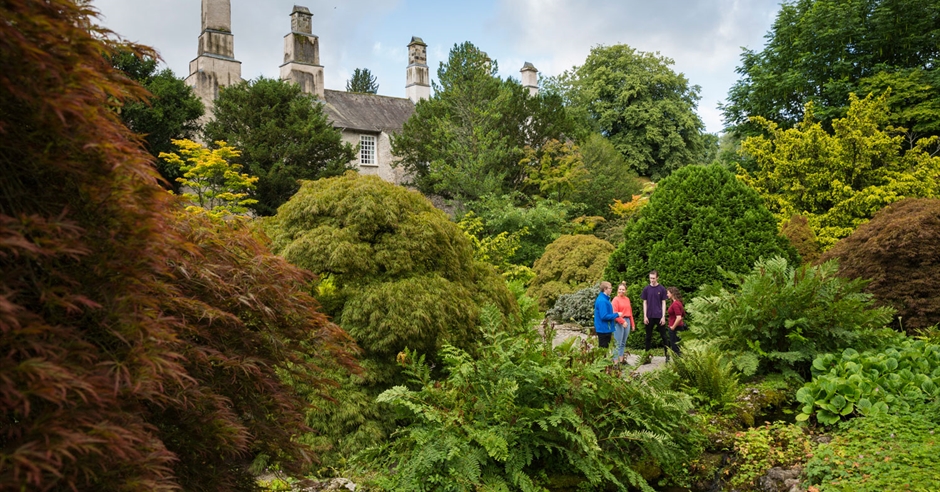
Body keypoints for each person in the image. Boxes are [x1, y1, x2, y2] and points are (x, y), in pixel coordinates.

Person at [641, 270, 670, 360]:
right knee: (648, 337)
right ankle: (646, 357)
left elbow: (664, 302)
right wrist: (645, 316)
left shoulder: (662, 289)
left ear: (657, 278)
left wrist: (663, 316)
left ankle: (667, 356)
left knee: (664, 336)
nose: (652, 280)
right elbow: (645, 302)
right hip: (649, 316)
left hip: (659, 316)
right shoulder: (646, 289)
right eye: (650, 278)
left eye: (653, 278)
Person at [611, 282, 636, 364]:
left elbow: (630, 312)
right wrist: (622, 322)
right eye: (620, 289)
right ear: (617, 290)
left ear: (625, 291)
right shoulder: (615, 299)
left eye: (623, 289)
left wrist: (632, 324)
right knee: (617, 343)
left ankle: (621, 361)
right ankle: (615, 362)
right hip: (619, 321)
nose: (621, 291)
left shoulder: (627, 299)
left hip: (627, 320)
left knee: (623, 342)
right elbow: (614, 313)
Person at [593, 281, 621, 350]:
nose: (611, 290)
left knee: (605, 350)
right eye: (610, 288)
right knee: (603, 350)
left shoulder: (605, 299)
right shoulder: (602, 300)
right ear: (605, 289)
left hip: (605, 329)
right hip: (603, 329)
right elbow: (604, 316)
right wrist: (617, 315)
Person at [665, 286, 684, 358]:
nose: (667, 295)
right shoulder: (679, 303)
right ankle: (680, 361)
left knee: (675, 347)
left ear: (672, 294)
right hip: (679, 327)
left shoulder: (675, 304)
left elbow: (679, 317)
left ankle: (678, 362)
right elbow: (683, 315)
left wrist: (673, 327)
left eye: (668, 293)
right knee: (679, 346)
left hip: (675, 328)